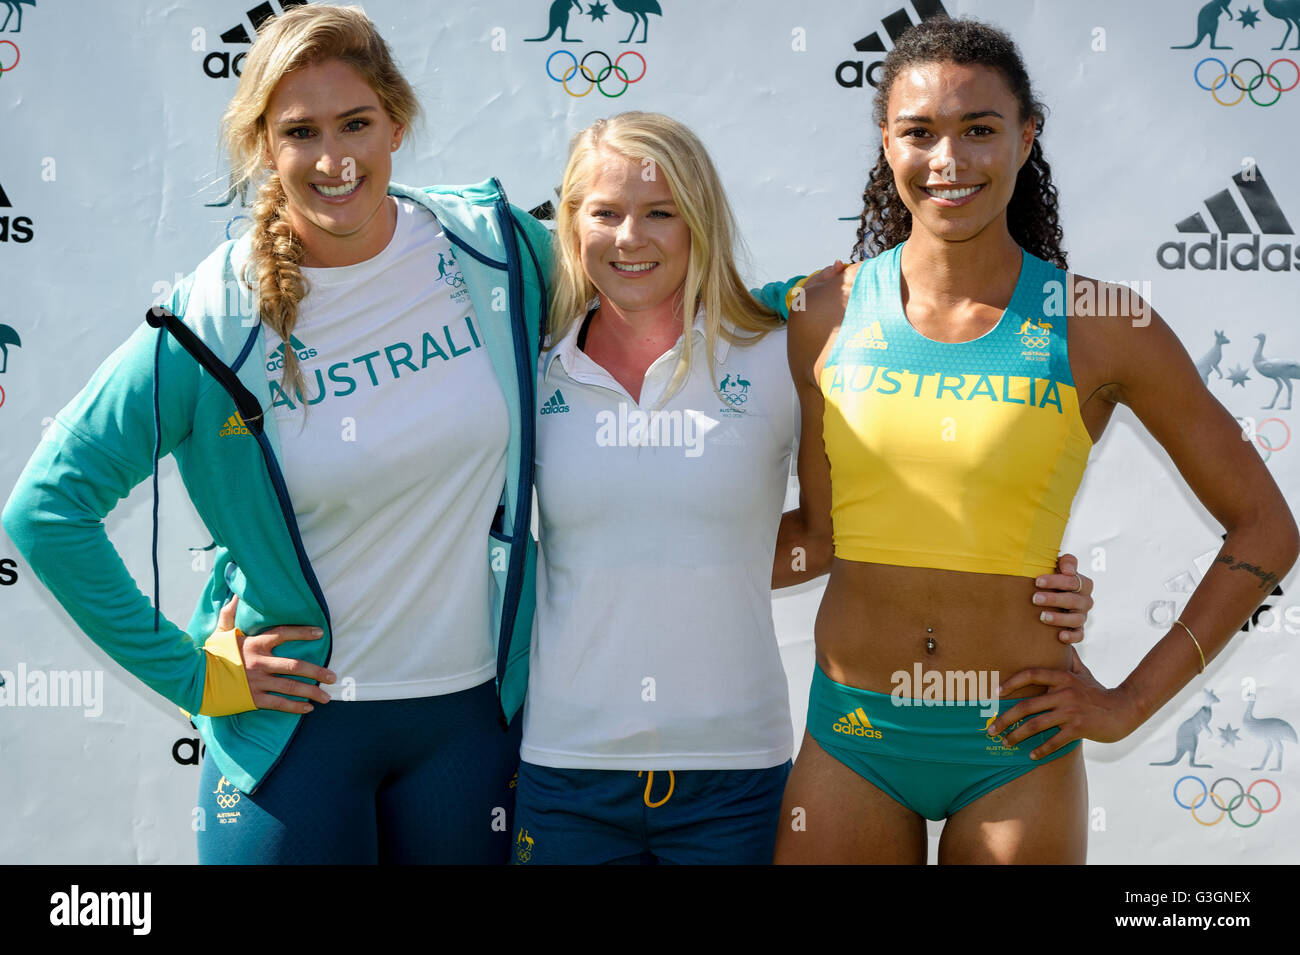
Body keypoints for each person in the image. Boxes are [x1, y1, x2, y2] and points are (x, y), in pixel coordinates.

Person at [1, 4, 551, 864]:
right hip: (297, 744)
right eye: (301, 132)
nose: (335, 159)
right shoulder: (215, 320)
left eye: (356, 123)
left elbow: (651, 304)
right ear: (264, 146)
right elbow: (46, 509)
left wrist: (795, 309)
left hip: (469, 727)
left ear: (397, 123)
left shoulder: (495, 251)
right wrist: (193, 676)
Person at [776, 16, 1298, 864]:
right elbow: (819, 536)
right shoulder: (819, 311)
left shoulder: (1104, 324)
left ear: (1027, 136)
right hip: (854, 738)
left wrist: (1128, 703)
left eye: (979, 130)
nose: (949, 161)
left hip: (1014, 748)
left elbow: (1267, 528)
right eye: (920, 132)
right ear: (886, 142)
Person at [509, 111, 1095, 865]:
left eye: (661, 212)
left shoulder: (781, 341)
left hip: (736, 774)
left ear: (701, 220)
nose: (631, 237)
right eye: (606, 213)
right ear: (569, 223)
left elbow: (862, 508)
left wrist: (1027, 576)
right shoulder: (530, 360)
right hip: (565, 770)